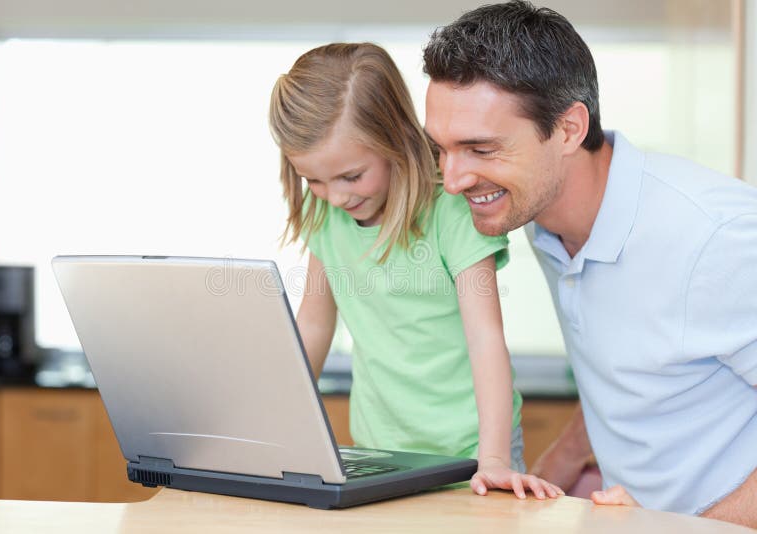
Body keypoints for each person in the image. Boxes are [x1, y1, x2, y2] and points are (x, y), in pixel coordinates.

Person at [422, 0, 757, 527]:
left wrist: (697, 527)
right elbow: (631, 363)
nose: (454, 178)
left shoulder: (716, 239)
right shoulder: (541, 216)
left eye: (480, 149)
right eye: (441, 149)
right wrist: (565, 456)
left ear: (569, 128)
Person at [268, 42, 562, 500]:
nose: (335, 196)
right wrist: (274, 428)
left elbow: (485, 338)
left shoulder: (452, 211)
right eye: (314, 180)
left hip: (472, 455)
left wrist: (495, 460)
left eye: (351, 176)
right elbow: (313, 323)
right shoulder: (325, 215)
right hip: (381, 455)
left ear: (393, 139)